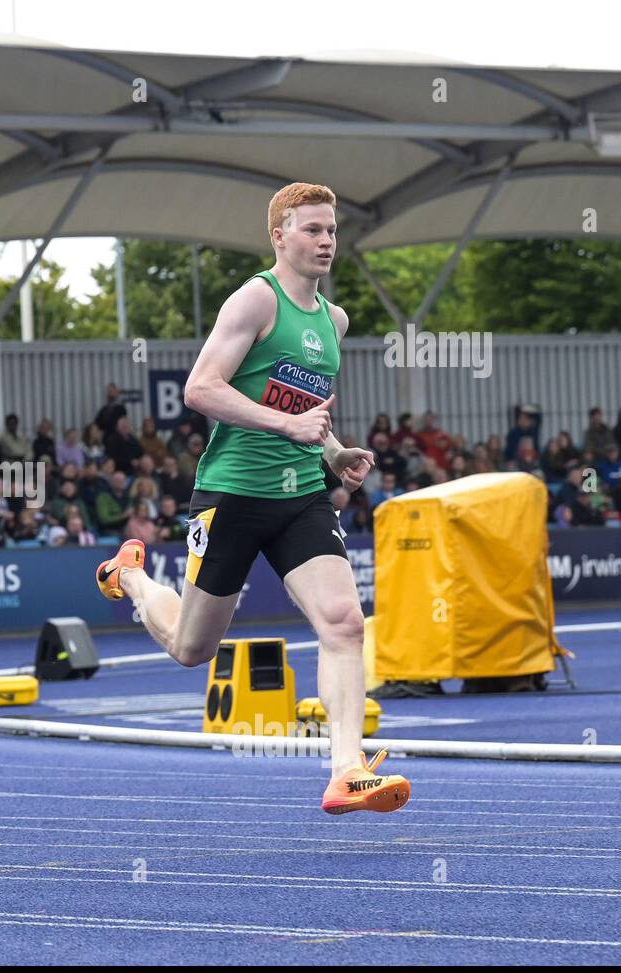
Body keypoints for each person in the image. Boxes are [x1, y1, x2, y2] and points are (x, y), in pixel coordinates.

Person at [94, 181, 409, 815]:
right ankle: (130, 578)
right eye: (312, 230)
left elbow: (303, 411)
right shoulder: (254, 301)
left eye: (331, 231)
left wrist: (333, 453)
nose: (326, 242)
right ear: (279, 236)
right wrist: (288, 427)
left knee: (344, 622)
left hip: (300, 498)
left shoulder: (334, 320)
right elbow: (201, 389)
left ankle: (347, 770)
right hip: (233, 495)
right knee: (191, 649)